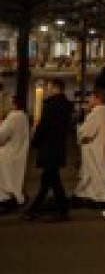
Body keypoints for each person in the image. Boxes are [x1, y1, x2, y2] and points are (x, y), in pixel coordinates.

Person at [23, 79, 73, 222]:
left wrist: (35, 139)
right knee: (49, 178)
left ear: (55, 88)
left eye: (50, 87)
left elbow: (44, 126)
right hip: (58, 145)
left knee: (52, 179)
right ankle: (37, 208)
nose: (48, 90)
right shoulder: (65, 105)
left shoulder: (51, 105)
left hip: (49, 146)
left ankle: (59, 210)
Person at [73, 89, 105, 209]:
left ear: (97, 99)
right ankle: (88, 195)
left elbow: (87, 132)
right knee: (93, 173)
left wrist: (79, 127)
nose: (89, 101)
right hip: (99, 148)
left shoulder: (96, 113)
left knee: (94, 173)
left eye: (91, 98)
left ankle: (100, 198)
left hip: (93, 149)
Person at [0, 98, 30, 214]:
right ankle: (16, 199)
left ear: (14, 104)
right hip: (18, 152)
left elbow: (2, 135)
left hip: (7, 154)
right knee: (15, 180)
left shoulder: (13, 117)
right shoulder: (24, 117)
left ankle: (8, 201)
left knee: (5, 181)